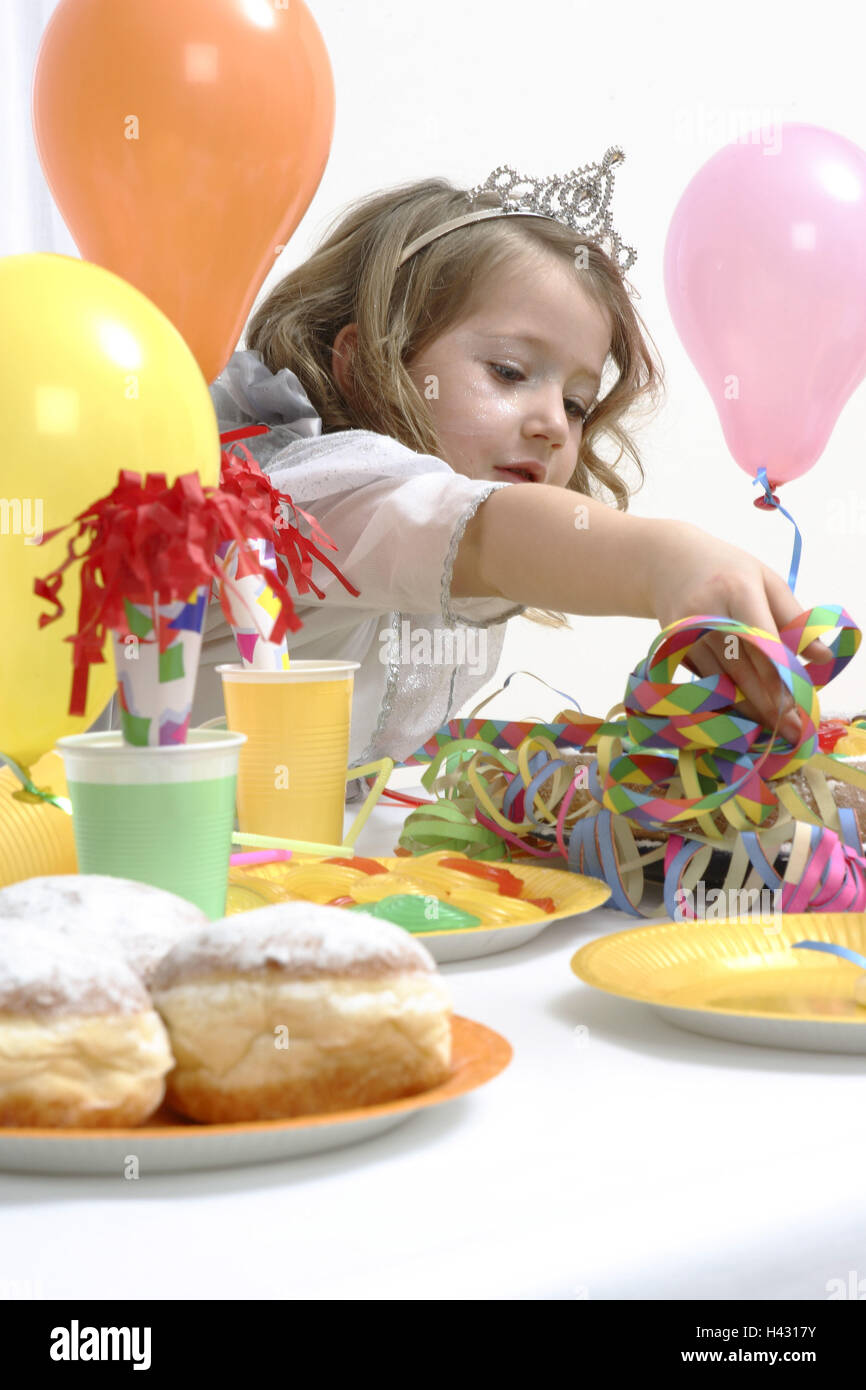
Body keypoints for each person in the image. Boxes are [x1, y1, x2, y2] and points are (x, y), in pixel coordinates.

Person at [192, 150, 832, 773]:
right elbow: (492, 534)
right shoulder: (310, 499)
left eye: (578, 403)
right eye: (508, 371)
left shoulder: (447, 584)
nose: (554, 423)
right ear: (363, 365)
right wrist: (667, 561)